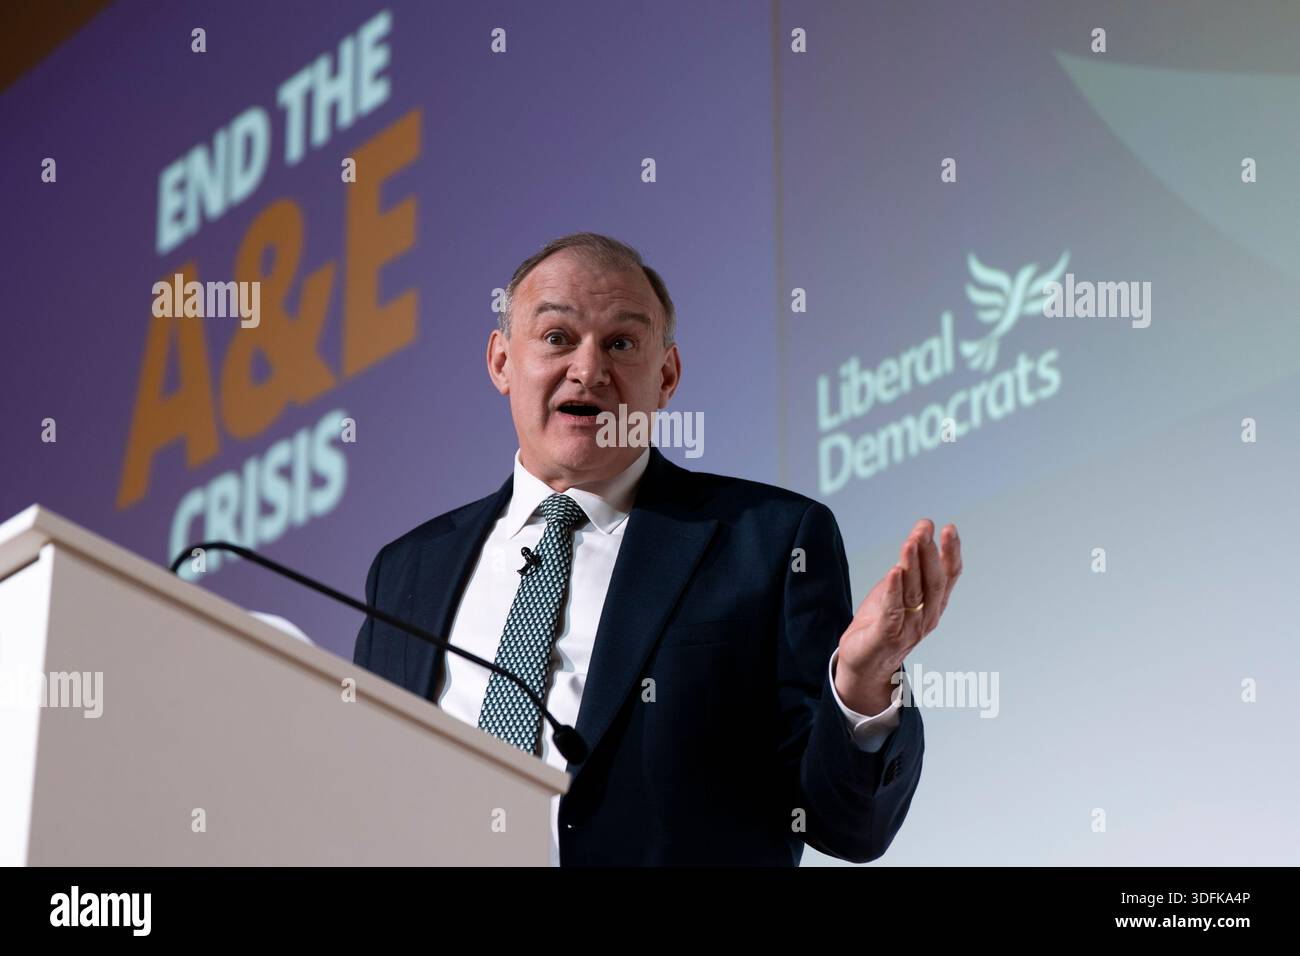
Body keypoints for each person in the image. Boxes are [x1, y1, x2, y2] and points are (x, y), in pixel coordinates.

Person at [353, 232, 962, 865]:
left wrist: (862, 686)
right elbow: (362, 799)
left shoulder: (770, 541)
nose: (588, 370)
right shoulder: (407, 571)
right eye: (557, 338)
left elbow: (846, 826)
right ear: (502, 362)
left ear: (666, 375)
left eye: (621, 343)